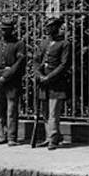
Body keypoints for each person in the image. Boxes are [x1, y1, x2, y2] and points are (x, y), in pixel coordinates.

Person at [36, 16, 72, 149]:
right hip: (43, 83)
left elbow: (64, 64)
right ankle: (48, 136)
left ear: (56, 28)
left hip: (57, 83)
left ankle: (53, 139)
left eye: (50, 26)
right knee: (45, 112)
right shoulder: (43, 43)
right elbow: (36, 61)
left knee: (53, 113)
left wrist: (49, 77)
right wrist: (39, 75)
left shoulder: (64, 44)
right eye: (47, 26)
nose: (47, 29)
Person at [0, 18, 27, 146]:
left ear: (12, 30)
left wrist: (5, 76)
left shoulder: (19, 44)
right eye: (2, 29)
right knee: (1, 110)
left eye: (6, 29)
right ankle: (3, 134)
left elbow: (19, 63)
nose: (3, 32)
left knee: (11, 111)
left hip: (11, 82)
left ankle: (12, 137)